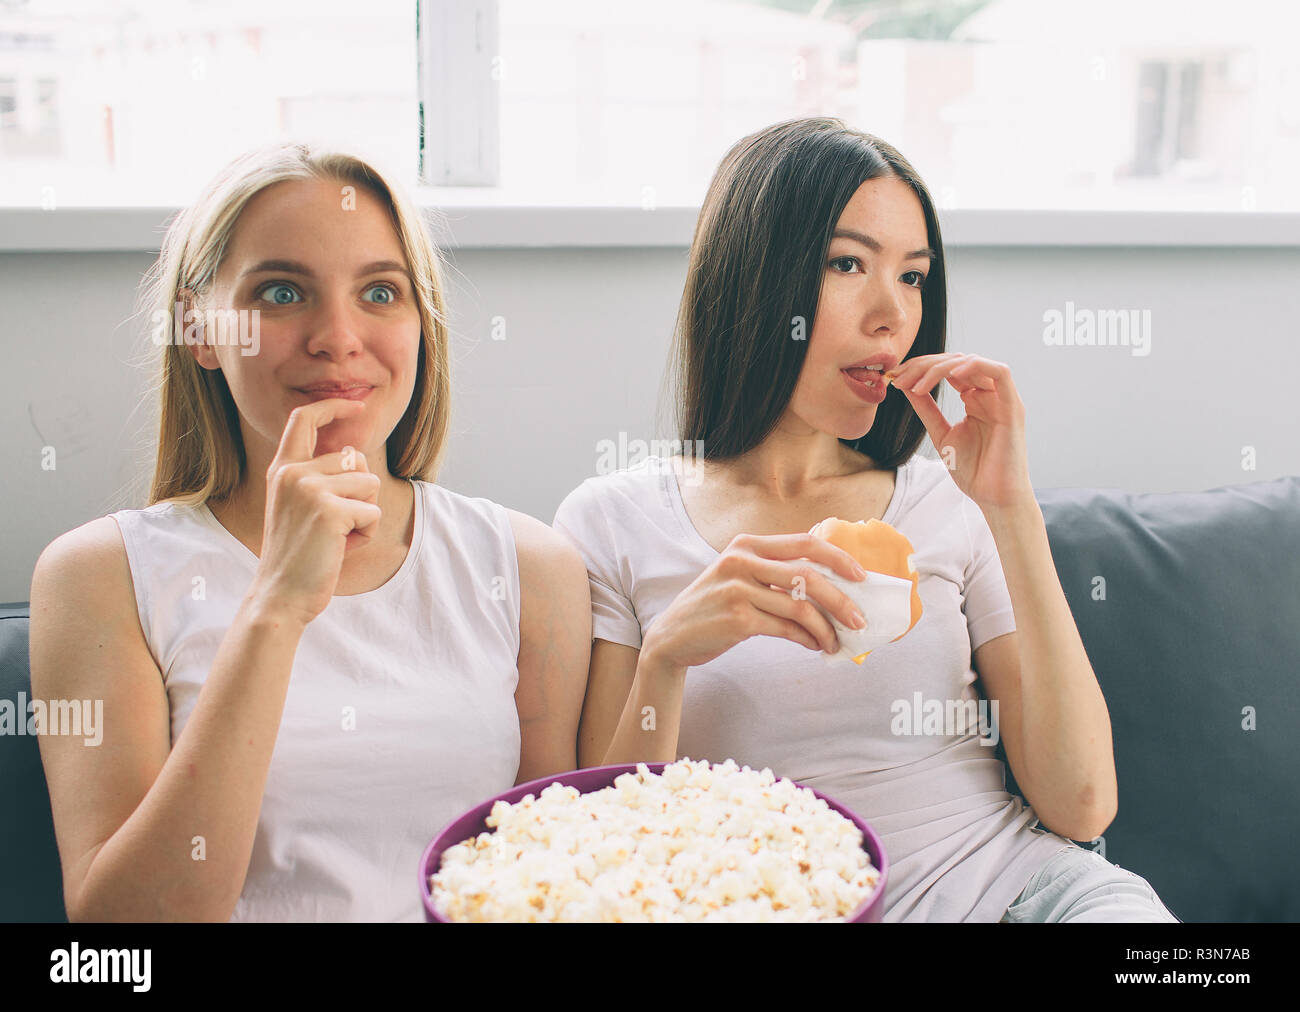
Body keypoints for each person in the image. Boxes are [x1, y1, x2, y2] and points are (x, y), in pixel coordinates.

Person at [553, 117, 1179, 923]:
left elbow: (1082, 805)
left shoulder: (952, 503)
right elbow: (606, 854)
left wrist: (1012, 510)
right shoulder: (611, 521)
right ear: (753, 278)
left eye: (913, 277)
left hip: (1027, 895)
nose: (893, 315)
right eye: (846, 263)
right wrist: (666, 657)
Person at [29, 143, 591, 922]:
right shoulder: (99, 576)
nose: (337, 336)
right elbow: (125, 932)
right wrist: (275, 609)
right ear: (199, 329)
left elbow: (553, 877)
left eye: (380, 292)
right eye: (282, 292)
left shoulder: (530, 566)